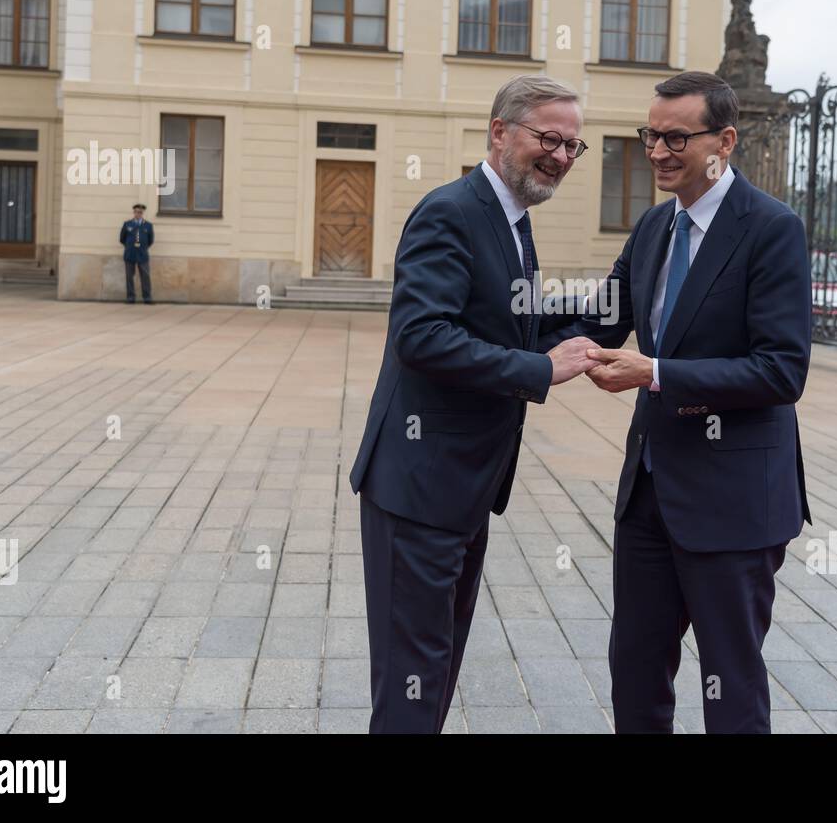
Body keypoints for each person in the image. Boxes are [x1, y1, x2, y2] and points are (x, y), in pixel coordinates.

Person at [540, 71, 812, 733]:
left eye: (675, 137)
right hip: (650, 498)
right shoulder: (656, 226)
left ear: (725, 140)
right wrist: (495, 328)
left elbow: (781, 370)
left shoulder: (772, 229)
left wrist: (657, 371)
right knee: (634, 669)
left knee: (730, 683)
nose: (657, 150)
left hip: (734, 500)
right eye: (650, 135)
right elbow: (602, 319)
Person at [348, 75, 599, 733]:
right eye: (550, 138)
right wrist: (539, 369)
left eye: (575, 146)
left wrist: (605, 315)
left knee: (435, 670)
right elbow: (421, 335)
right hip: (419, 487)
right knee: (413, 681)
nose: (562, 157)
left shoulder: (513, 220)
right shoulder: (450, 211)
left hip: (461, 487)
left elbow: (509, 321)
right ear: (498, 131)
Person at [119, 203, 154, 304]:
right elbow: (122, 239)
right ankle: (130, 297)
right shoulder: (127, 224)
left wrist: (142, 248)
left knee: (145, 277)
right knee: (129, 277)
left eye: (140, 212)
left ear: (142, 213)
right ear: (134, 212)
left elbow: (150, 240)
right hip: (130, 254)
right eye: (136, 212)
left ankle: (147, 298)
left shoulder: (148, 225)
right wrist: (130, 247)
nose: (138, 214)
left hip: (143, 255)